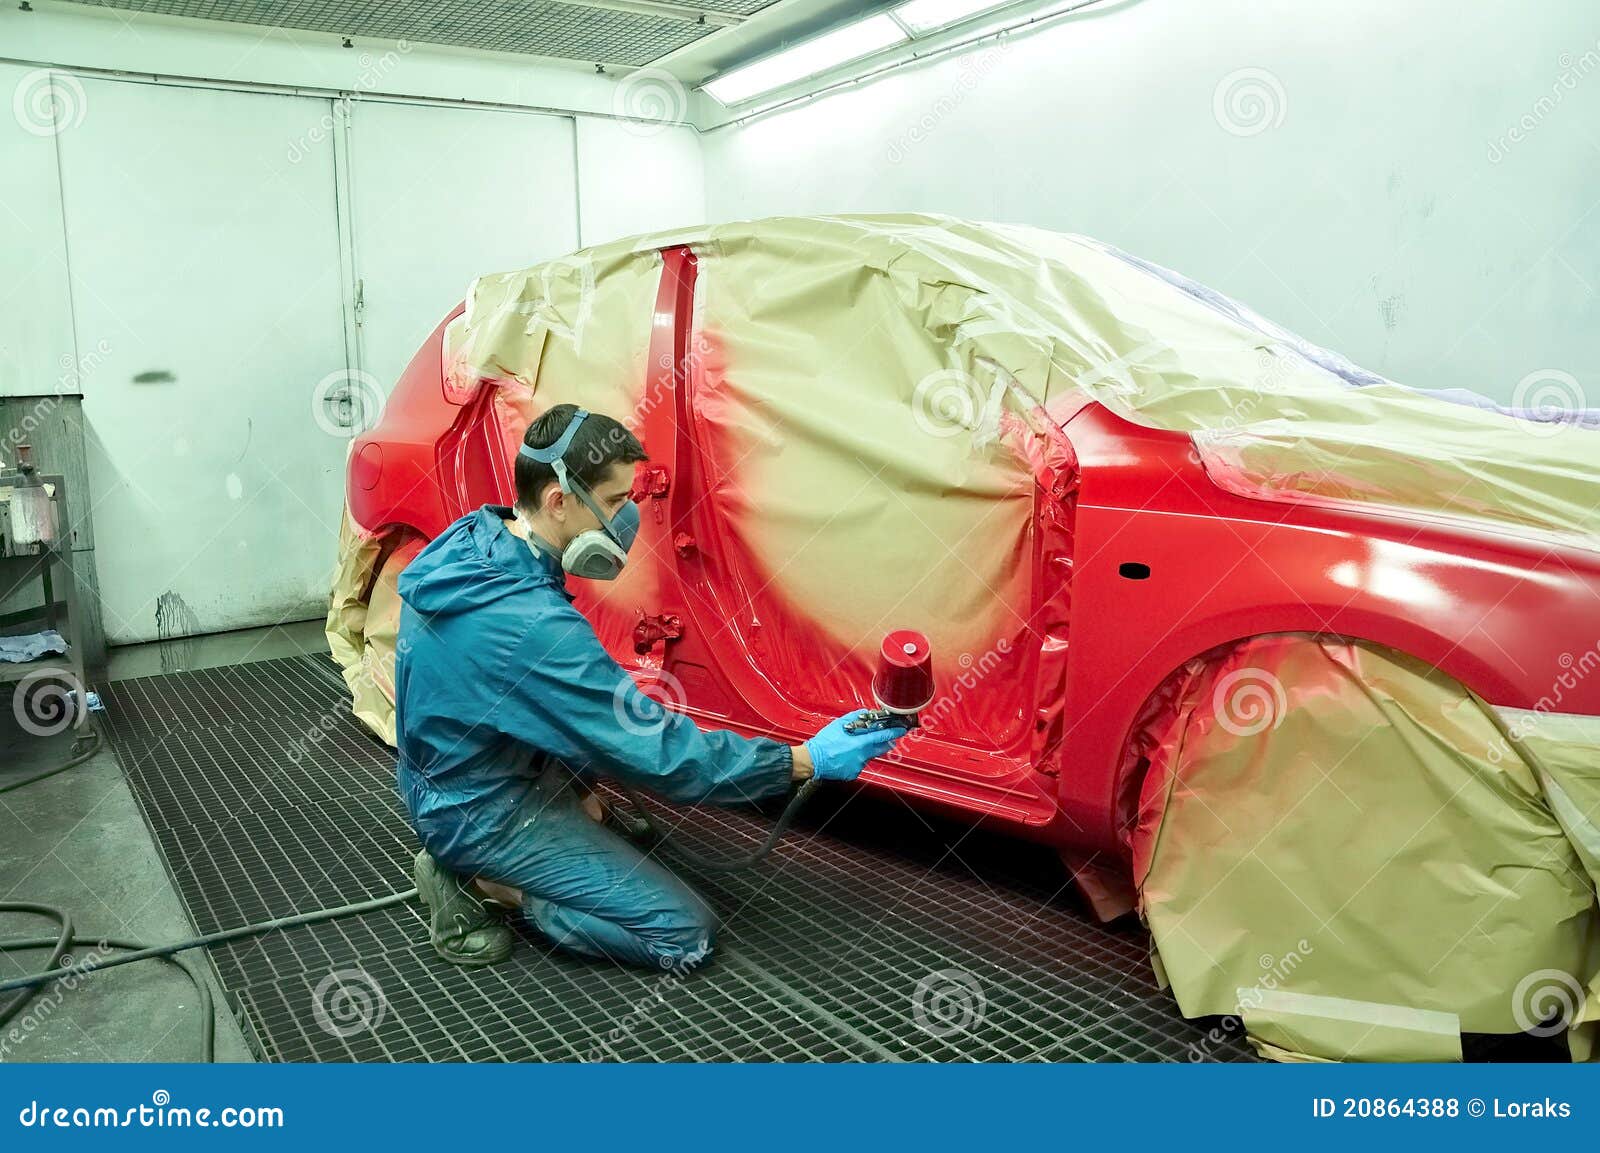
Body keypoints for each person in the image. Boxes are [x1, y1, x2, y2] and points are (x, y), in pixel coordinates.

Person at [394, 403, 907, 969]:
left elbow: (525, 697)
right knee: (683, 935)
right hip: (481, 813)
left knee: (606, 817)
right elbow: (660, 756)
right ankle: (484, 883)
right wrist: (803, 760)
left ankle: (531, 836)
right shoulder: (529, 624)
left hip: (470, 772)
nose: (626, 520)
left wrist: (581, 779)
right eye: (615, 501)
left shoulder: (477, 539)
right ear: (558, 500)